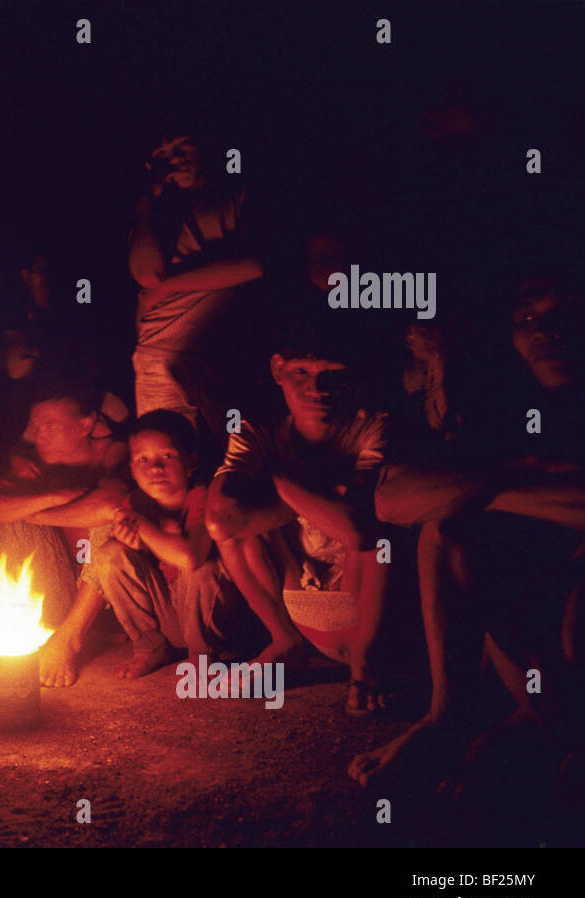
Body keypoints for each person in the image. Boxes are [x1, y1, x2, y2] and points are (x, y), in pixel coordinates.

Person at [353, 262, 585, 795]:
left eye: (566, 313)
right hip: (536, 629)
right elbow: (392, 500)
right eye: (526, 315)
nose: (545, 330)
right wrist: (512, 475)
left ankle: (545, 732)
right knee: (449, 531)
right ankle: (449, 718)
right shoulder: (513, 410)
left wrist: (490, 486)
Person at [204, 319, 392, 715]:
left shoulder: (371, 427)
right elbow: (221, 520)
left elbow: (359, 533)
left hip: (363, 618)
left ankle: (366, 665)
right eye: (300, 373)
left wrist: (272, 480)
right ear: (277, 370)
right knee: (232, 530)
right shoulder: (257, 432)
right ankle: (283, 643)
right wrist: (320, 491)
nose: (316, 389)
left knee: (382, 534)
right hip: (302, 611)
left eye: (331, 375)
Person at [0, 375, 129, 687]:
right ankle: (19, 628)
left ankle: (69, 639)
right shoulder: (36, 463)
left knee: (113, 521)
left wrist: (42, 516)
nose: (38, 435)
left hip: (117, 595)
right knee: (11, 517)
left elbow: (112, 502)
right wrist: (50, 499)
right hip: (59, 594)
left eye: (50, 425)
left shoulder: (115, 454)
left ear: (85, 425)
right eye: (35, 426)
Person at [89, 410, 264, 679]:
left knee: (204, 567)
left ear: (190, 460)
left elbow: (192, 557)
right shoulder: (137, 502)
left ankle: (203, 655)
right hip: (170, 615)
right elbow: (127, 559)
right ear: (132, 470)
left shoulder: (203, 494)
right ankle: (150, 647)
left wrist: (142, 527)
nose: (155, 468)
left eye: (167, 456)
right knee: (109, 554)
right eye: (142, 459)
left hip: (214, 621)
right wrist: (130, 541)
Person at [129, 132, 262, 431]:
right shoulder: (159, 215)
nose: (175, 159)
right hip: (156, 354)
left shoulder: (233, 198)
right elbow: (147, 275)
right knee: (169, 459)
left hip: (216, 348)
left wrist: (167, 287)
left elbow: (254, 265)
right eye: (163, 155)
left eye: (181, 146)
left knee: (236, 454)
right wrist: (145, 204)